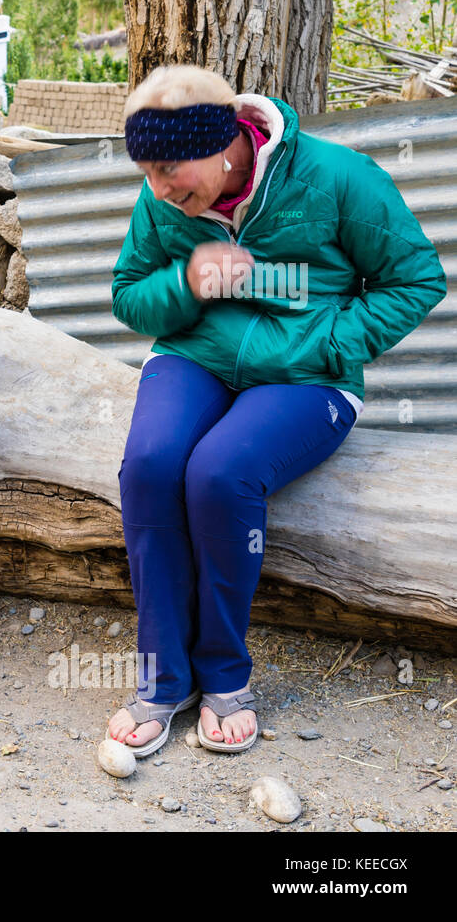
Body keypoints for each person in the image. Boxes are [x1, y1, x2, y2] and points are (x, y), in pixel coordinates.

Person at [109, 65, 445, 755]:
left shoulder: (336, 175)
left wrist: (327, 342)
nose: (158, 189)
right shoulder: (164, 200)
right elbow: (128, 295)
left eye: (169, 168)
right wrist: (188, 280)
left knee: (220, 474)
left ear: (226, 140)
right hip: (196, 354)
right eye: (146, 170)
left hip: (306, 374)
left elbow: (416, 278)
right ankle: (162, 678)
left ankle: (225, 675)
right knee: (149, 466)